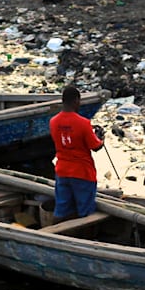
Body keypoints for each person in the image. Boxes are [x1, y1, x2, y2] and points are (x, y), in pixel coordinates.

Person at [49, 84, 104, 223]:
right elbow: (96, 146)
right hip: (82, 173)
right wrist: (101, 138)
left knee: (61, 208)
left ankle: (54, 232)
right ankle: (85, 239)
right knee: (85, 213)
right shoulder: (83, 123)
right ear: (76, 101)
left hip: (62, 171)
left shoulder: (53, 121)